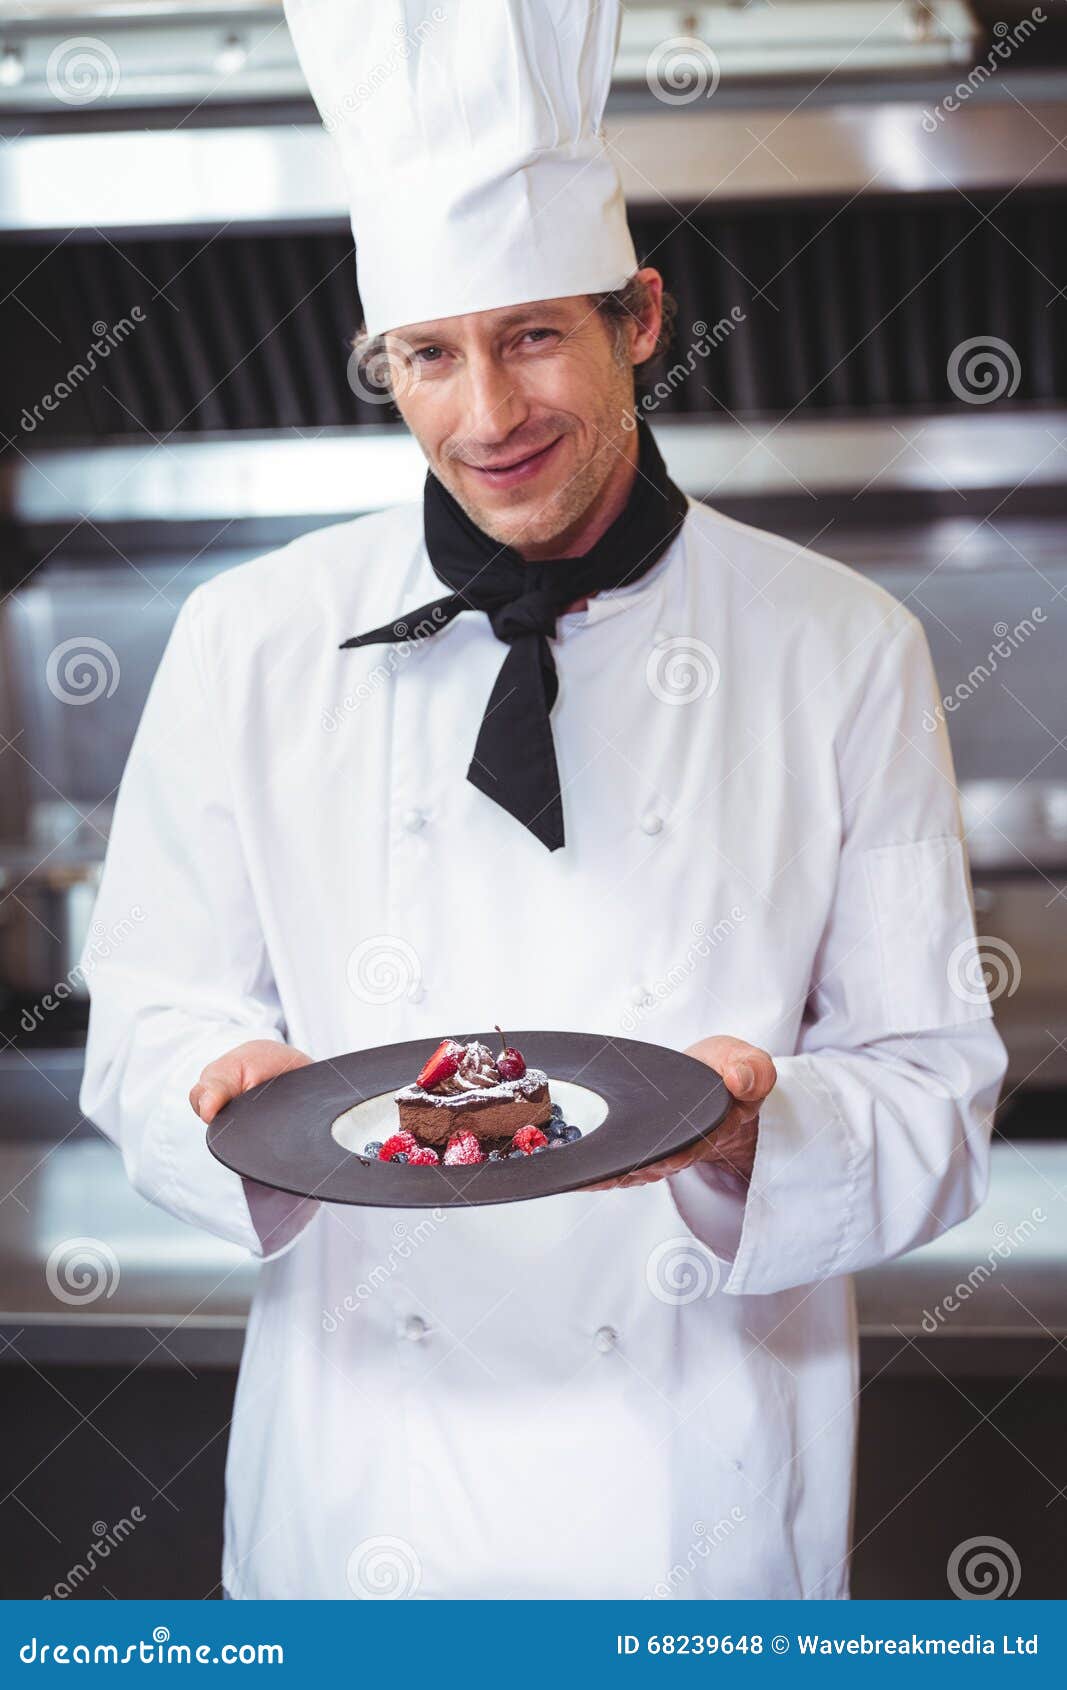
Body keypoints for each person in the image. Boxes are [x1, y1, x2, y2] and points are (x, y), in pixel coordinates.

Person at [80, 0, 1006, 1599]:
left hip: (698, 1516)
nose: (485, 416)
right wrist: (224, 1103)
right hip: (359, 1502)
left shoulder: (845, 649)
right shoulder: (250, 642)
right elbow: (143, 1035)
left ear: (640, 314)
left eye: (529, 337)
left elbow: (934, 1088)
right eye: (429, 356)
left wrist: (746, 1133)